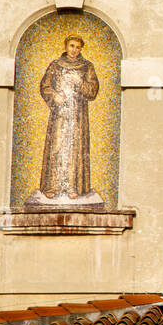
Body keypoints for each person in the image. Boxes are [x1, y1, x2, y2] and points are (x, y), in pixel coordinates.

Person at [36, 35, 100, 202]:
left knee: (75, 147)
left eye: (78, 47)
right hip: (60, 114)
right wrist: (55, 95)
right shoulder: (55, 66)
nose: (74, 50)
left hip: (78, 114)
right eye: (72, 46)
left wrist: (80, 82)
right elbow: (45, 86)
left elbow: (92, 91)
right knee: (56, 145)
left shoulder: (86, 67)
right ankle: (52, 186)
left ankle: (74, 186)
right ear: (66, 46)